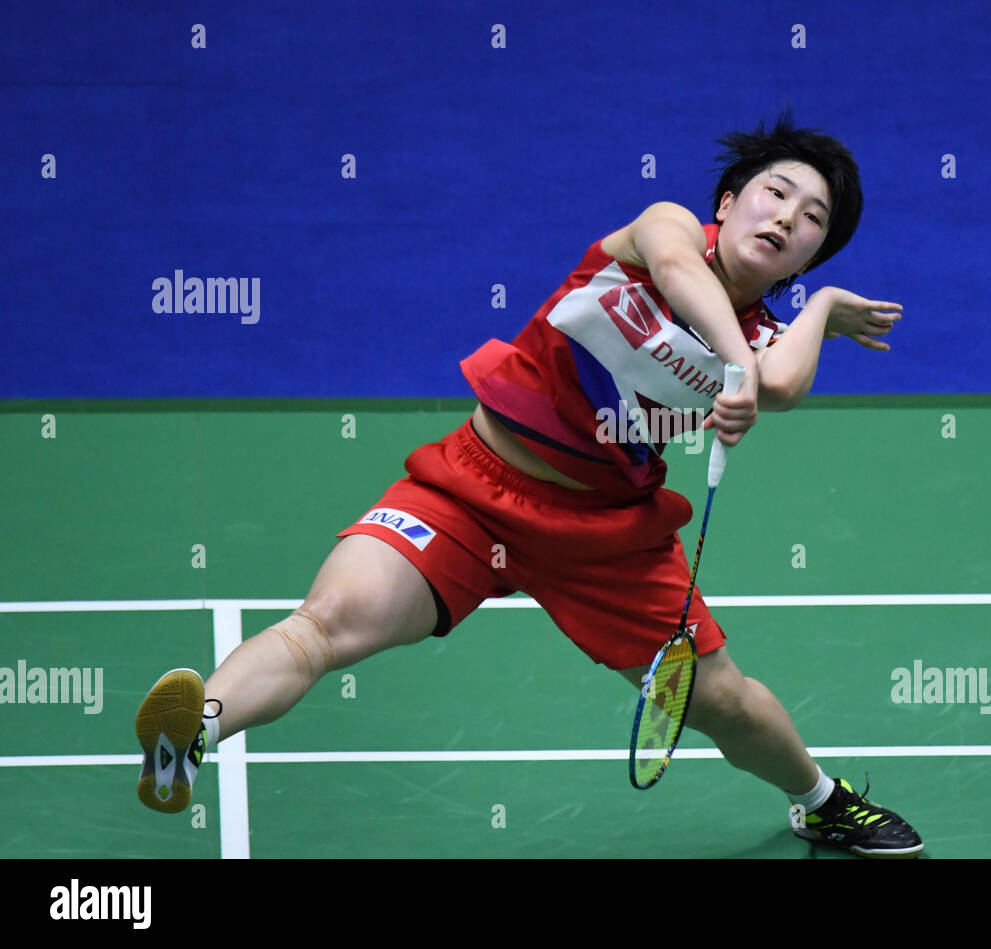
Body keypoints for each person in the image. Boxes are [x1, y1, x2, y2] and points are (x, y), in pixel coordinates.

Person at [134, 112, 923, 858]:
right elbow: (683, 274)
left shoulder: (764, 339)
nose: (787, 216)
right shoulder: (667, 229)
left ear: (808, 257)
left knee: (722, 699)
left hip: (604, 536)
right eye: (776, 192)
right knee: (324, 625)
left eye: (812, 219)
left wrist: (817, 307)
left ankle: (823, 801)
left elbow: (782, 383)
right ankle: (194, 729)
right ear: (729, 201)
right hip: (469, 492)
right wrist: (736, 366)